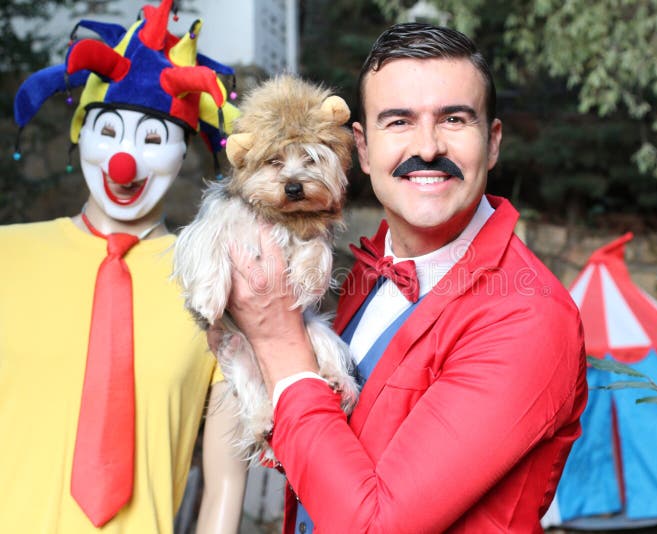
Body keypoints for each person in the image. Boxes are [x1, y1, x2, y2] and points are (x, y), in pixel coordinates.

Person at [220, 22, 587, 533]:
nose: (428, 147)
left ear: (492, 142)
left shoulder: (528, 317)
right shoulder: (366, 268)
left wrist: (277, 342)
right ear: (362, 150)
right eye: (399, 121)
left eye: (454, 119)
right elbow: (330, 451)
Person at [0, 1, 247, 532]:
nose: (124, 161)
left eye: (153, 139)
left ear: (183, 153)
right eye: (108, 132)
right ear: (80, 133)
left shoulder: (214, 284)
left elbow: (225, 485)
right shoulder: (5, 257)